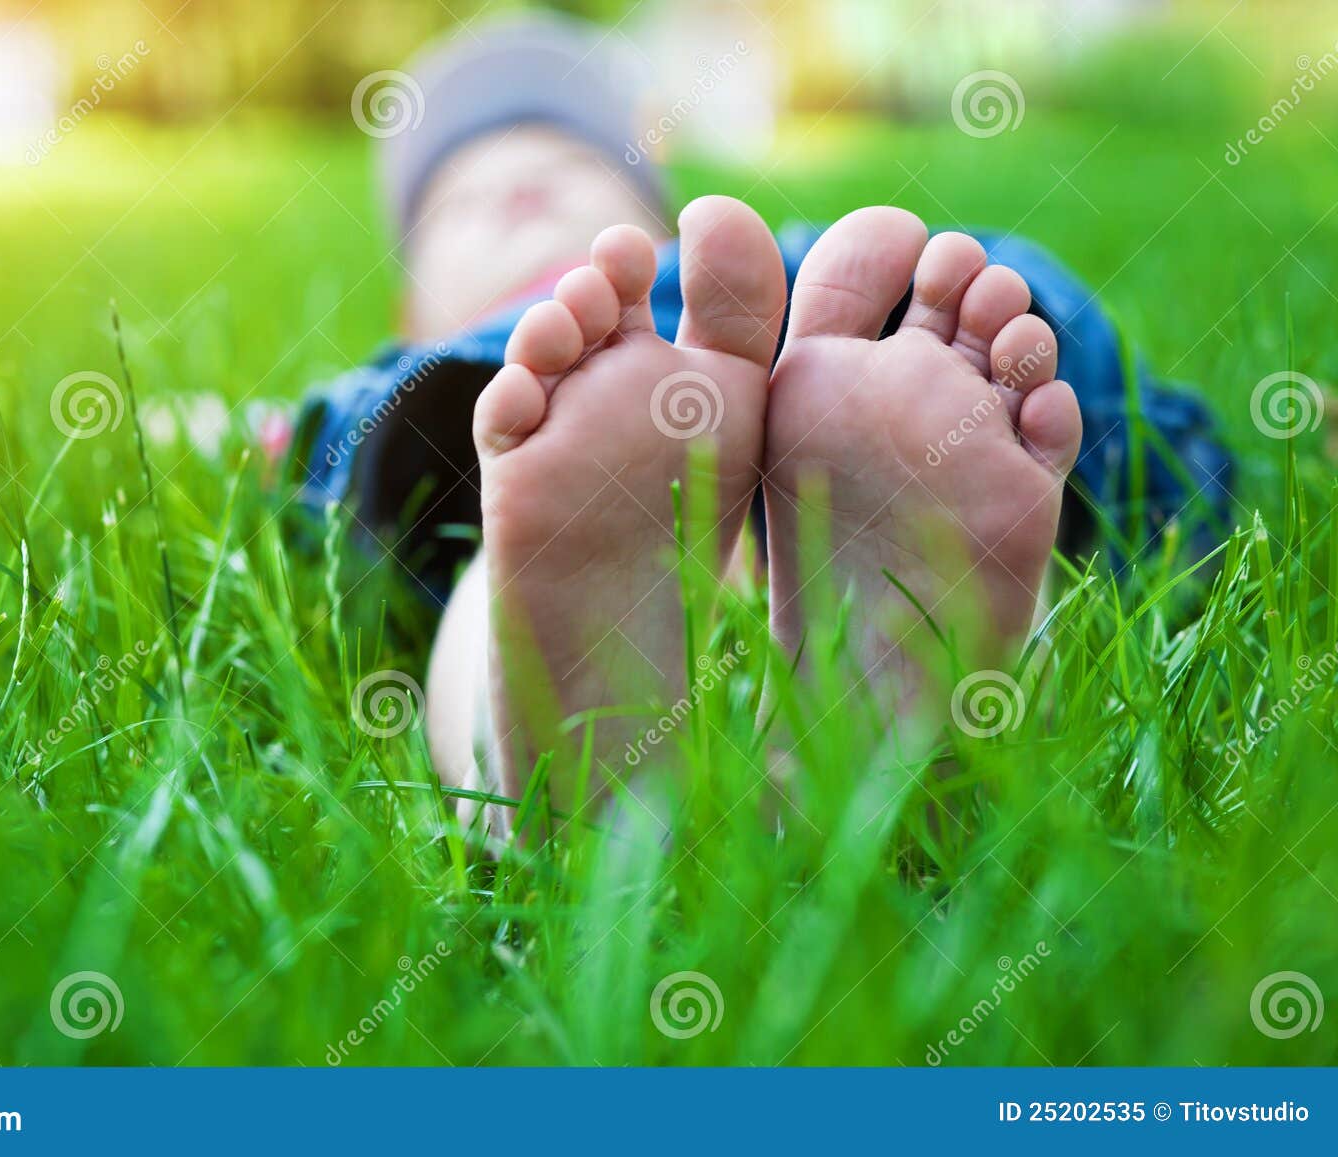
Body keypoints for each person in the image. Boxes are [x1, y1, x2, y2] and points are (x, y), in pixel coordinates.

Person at [288, 13, 1231, 839]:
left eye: (572, 172)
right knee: (513, 538)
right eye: (462, 203)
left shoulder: (753, 299)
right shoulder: (475, 371)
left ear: (663, 223)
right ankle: (886, 758)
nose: (521, 195)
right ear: (412, 315)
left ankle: (602, 791)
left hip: (824, 372)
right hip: (539, 405)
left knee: (959, 454)